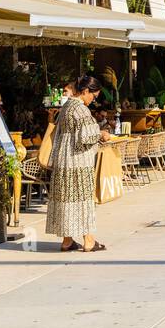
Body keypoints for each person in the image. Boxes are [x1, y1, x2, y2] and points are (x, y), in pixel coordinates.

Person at [46, 75, 112, 253]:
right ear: (85, 91)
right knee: (83, 199)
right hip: (78, 162)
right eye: (94, 96)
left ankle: (67, 240)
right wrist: (102, 134)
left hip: (63, 161)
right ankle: (88, 240)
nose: (94, 100)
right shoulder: (81, 110)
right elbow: (86, 137)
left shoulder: (67, 106)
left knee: (67, 200)